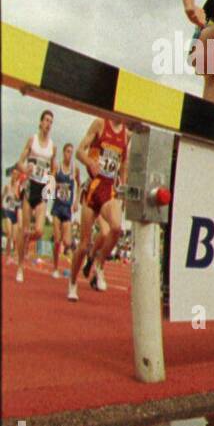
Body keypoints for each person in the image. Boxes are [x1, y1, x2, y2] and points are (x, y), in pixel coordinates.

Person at [67, 117, 130, 301]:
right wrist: (89, 162)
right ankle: (72, 283)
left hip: (109, 189)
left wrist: (123, 189)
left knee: (116, 228)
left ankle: (99, 264)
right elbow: (79, 151)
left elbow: (124, 165)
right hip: (93, 187)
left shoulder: (126, 134)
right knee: (84, 244)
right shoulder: (100, 124)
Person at [13, 109, 57, 283]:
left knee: (38, 230)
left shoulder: (52, 147)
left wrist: (50, 183)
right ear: (40, 123)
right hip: (30, 186)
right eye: (46, 120)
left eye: (51, 121)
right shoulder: (32, 141)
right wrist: (25, 169)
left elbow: (53, 168)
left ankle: (23, 244)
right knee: (25, 229)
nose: (48, 124)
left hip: (42, 188)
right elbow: (19, 162)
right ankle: (20, 267)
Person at [49, 143, 79, 279]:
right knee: (56, 240)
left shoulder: (75, 169)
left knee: (67, 242)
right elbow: (51, 178)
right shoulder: (57, 167)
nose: (69, 154)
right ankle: (55, 268)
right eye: (67, 151)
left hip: (67, 209)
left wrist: (76, 201)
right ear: (63, 152)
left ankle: (74, 265)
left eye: (71, 152)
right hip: (57, 207)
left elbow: (79, 184)